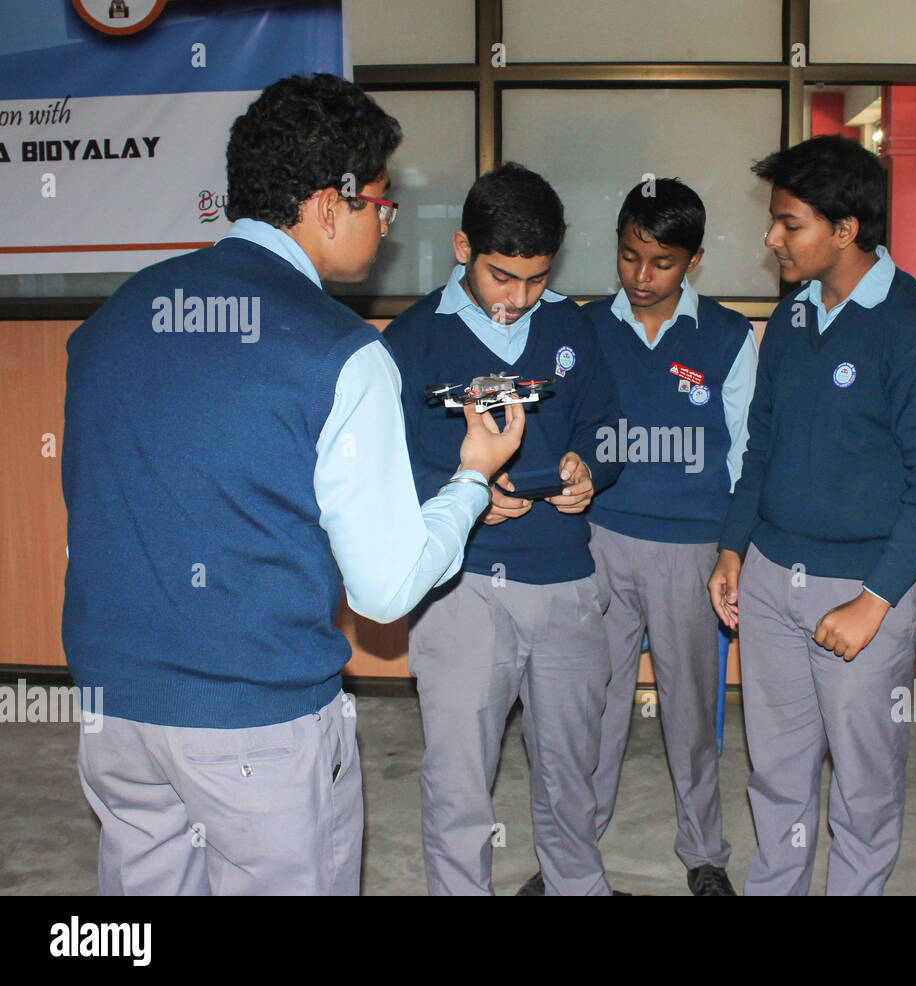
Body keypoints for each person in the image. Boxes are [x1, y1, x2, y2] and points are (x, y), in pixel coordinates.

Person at [63, 73, 523, 896]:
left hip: (115, 713)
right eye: (380, 206)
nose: (385, 227)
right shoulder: (339, 353)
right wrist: (471, 480)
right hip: (256, 729)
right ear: (326, 205)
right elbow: (384, 590)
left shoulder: (113, 320)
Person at [708, 135, 916, 895]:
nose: (771, 238)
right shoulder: (792, 318)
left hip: (864, 593)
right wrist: (733, 551)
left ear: (847, 229)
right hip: (767, 582)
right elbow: (761, 444)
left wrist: (878, 599)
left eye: (789, 224)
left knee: (865, 785)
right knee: (778, 772)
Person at [384, 162, 624, 896]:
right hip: (462, 593)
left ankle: (575, 887)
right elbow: (384, 468)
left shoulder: (571, 325)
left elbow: (610, 428)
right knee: (459, 781)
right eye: (500, 277)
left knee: (569, 774)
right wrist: (464, 494)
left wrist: (591, 470)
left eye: (535, 279)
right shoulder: (411, 340)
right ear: (463, 247)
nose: (518, 300)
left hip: (566, 585)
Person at [573, 177, 758, 896]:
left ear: (695, 261)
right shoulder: (585, 328)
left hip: (692, 549)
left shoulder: (727, 336)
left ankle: (705, 853)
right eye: (628, 258)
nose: (642, 277)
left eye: (662, 263)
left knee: (690, 712)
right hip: (599, 541)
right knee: (593, 707)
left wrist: (732, 548)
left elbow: (745, 450)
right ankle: (572, 850)